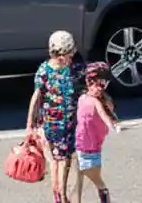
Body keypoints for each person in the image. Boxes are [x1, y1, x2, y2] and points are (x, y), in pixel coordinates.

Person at [26, 31, 86, 203]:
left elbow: (36, 96)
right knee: (63, 162)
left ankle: (57, 195)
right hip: (63, 126)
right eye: (70, 54)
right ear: (61, 55)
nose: (72, 57)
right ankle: (62, 195)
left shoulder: (44, 70)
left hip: (48, 125)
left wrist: (29, 124)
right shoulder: (71, 70)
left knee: (53, 161)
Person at [72, 62, 121, 203]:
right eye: (97, 84)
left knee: (95, 180)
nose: (99, 88)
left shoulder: (99, 102)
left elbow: (106, 117)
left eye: (102, 85)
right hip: (80, 146)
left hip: (91, 149)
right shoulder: (83, 98)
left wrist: (113, 126)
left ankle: (105, 197)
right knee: (78, 181)